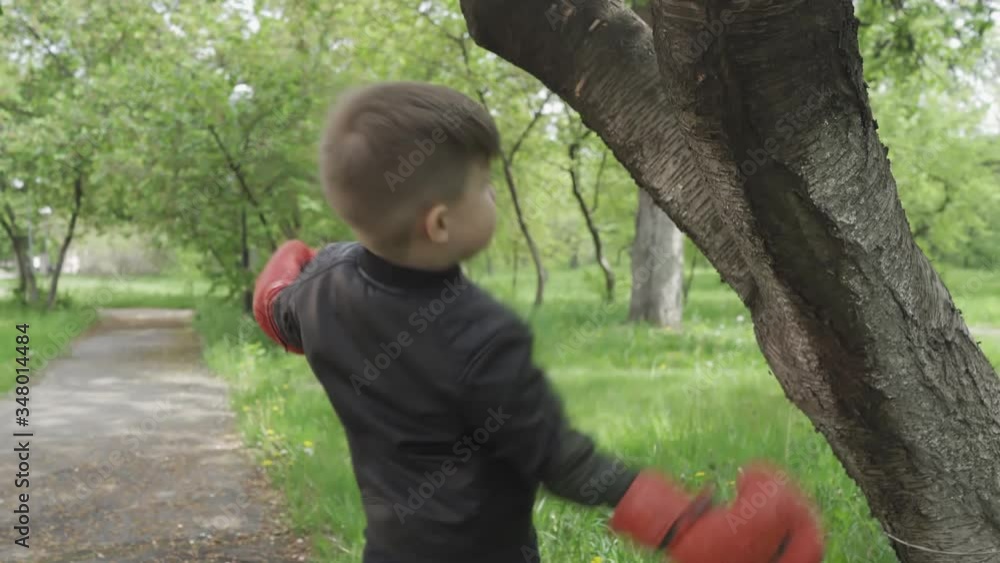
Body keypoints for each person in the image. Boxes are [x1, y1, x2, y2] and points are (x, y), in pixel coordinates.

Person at [252, 81, 824, 563]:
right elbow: (558, 458)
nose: (494, 193)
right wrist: (681, 523)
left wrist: (288, 273)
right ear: (441, 225)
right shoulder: (479, 337)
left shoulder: (321, 289)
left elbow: (276, 309)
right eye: (483, 186)